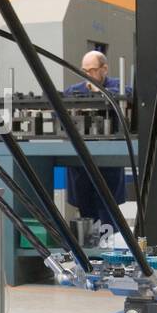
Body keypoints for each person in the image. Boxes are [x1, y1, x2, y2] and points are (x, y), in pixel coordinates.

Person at [62, 50, 129, 236]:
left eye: (91, 70)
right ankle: (90, 258)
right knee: (86, 213)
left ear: (104, 69)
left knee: (108, 213)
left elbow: (126, 96)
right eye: (83, 70)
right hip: (82, 162)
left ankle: (109, 253)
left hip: (107, 162)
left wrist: (98, 92)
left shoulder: (118, 87)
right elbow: (60, 109)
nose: (86, 75)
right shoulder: (74, 91)